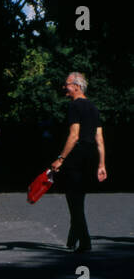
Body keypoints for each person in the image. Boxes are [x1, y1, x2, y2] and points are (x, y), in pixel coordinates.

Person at [51, 72, 107, 253]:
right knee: (79, 197)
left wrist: (61, 159)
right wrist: (101, 165)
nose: (64, 88)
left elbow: (74, 135)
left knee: (74, 200)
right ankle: (73, 237)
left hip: (76, 156)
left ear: (76, 86)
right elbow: (100, 139)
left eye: (66, 84)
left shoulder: (74, 106)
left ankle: (84, 242)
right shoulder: (93, 107)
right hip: (90, 156)